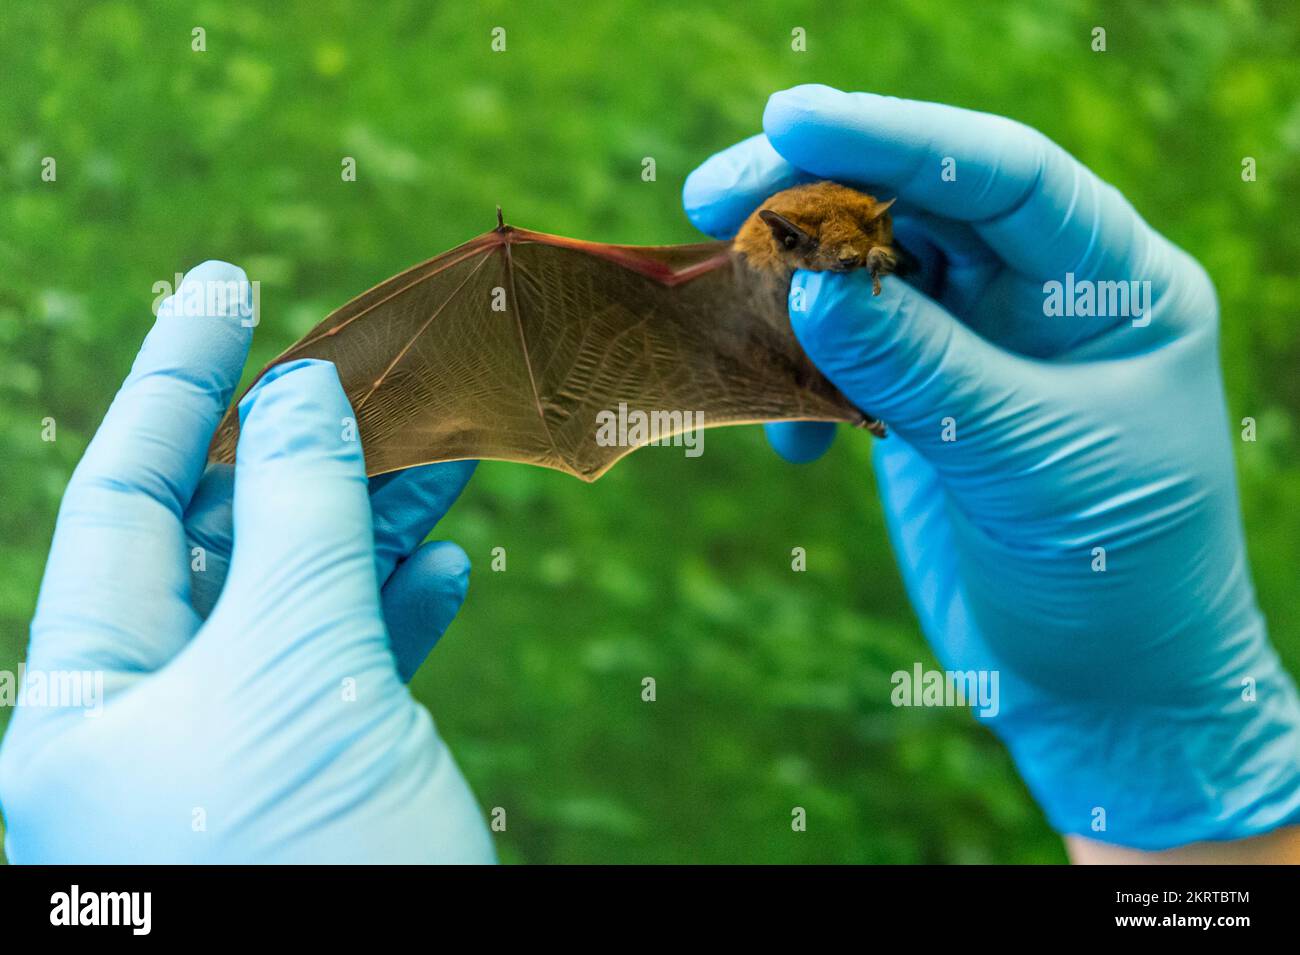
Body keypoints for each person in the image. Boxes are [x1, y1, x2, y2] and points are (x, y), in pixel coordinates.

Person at [2, 85, 1297, 863]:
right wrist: (1197, 810)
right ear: (772, 239)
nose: (823, 253)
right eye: (800, 240)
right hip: (738, 340)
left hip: (822, 374)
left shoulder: (875, 261)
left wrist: (1183, 782)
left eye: (841, 243)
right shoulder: (703, 280)